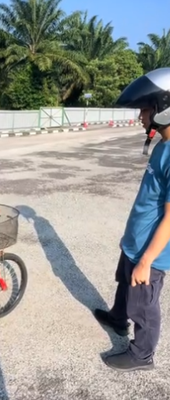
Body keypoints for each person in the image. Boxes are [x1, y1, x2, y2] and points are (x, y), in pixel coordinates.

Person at [93, 67, 170, 372]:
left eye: (145, 109)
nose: (140, 116)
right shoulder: (163, 145)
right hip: (136, 242)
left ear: (163, 108)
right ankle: (117, 318)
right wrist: (131, 242)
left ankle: (142, 355)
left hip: (151, 253)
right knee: (124, 285)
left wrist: (146, 260)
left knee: (144, 305)